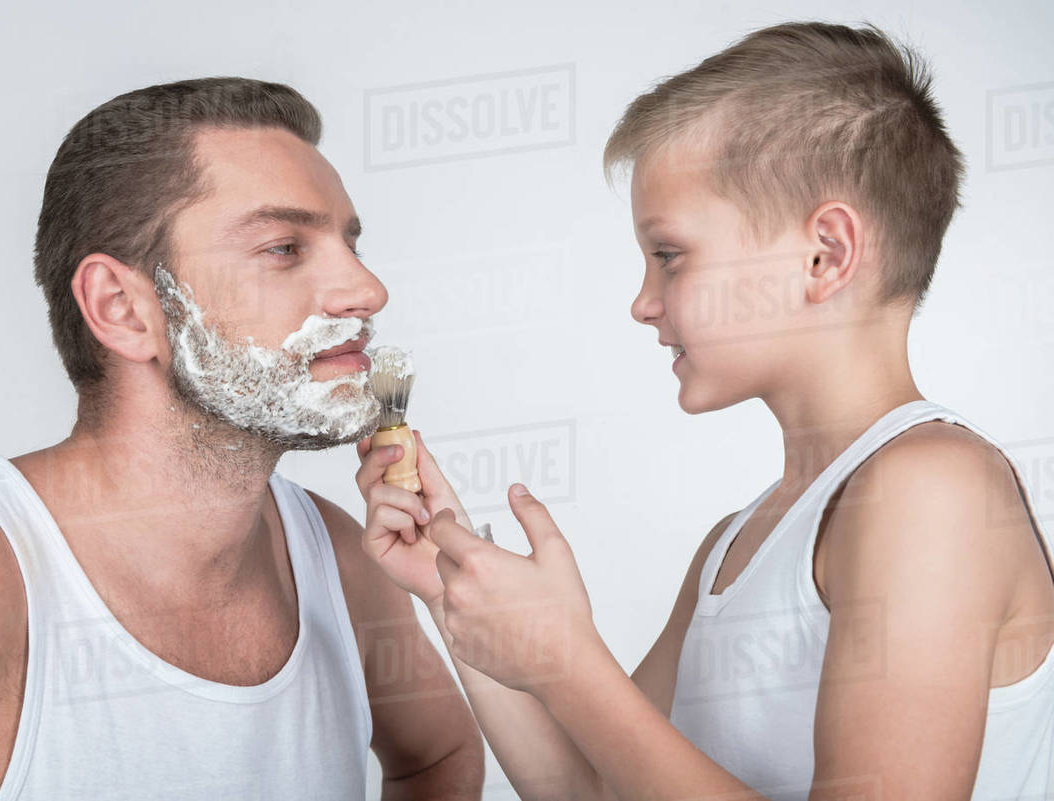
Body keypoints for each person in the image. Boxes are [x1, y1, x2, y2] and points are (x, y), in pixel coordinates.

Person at [356, 21, 1054, 801]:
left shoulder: (933, 490)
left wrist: (568, 660)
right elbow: (593, 791)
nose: (642, 301)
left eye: (669, 256)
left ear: (825, 255)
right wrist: (458, 594)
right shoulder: (731, 548)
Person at [0, 78, 483, 800]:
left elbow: (437, 754)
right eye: (284, 247)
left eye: (349, 242)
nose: (368, 290)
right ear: (122, 308)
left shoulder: (342, 561)